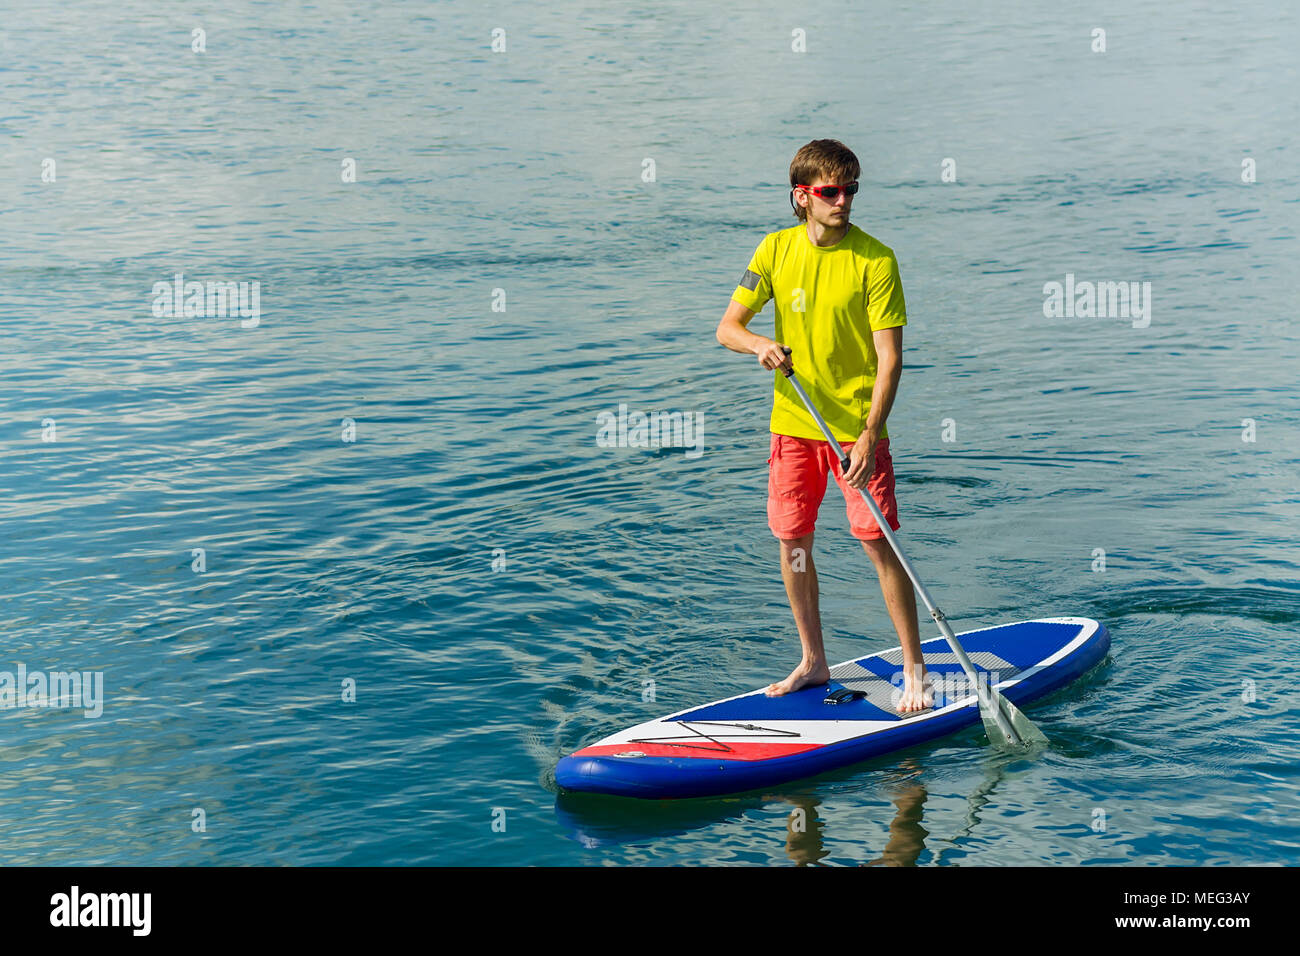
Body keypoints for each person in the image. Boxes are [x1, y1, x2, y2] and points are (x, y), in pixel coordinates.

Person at [715, 138, 931, 713]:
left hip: (857, 435)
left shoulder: (876, 261)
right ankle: (813, 661)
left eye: (851, 190)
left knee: (879, 546)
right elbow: (728, 327)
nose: (844, 201)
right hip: (793, 429)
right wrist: (759, 343)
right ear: (802, 197)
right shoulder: (773, 252)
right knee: (794, 546)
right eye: (831, 191)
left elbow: (891, 359)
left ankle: (916, 667)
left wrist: (868, 433)